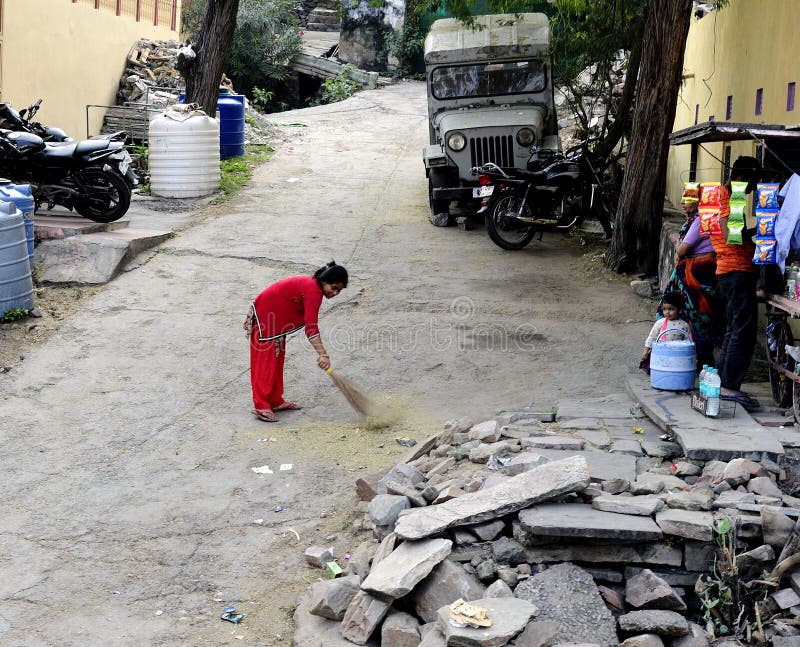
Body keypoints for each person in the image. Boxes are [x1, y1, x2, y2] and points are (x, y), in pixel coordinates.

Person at [244, 261, 348, 422]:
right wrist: (323, 354)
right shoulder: (313, 291)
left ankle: (274, 401)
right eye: (333, 288)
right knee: (265, 364)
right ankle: (261, 405)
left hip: (276, 320)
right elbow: (311, 328)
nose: (335, 293)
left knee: (276, 361)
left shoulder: (314, 288)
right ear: (324, 281)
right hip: (266, 319)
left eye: (339, 291)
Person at [710, 156, 762, 411]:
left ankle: (723, 382)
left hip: (730, 269)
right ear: (742, 178)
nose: (753, 188)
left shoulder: (722, 194)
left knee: (734, 328)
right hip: (736, 269)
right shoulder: (733, 194)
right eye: (752, 182)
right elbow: (732, 232)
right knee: (743, 330)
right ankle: (729, 386)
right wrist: (760, 232)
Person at [660, 189, 725, 368]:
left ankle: (691, 357)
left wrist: (677, 244)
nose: (682, 202)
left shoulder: (700, 220)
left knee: (693, 316)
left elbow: (682, 251)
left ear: (699, 203)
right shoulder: (719, 219)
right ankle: (706, 359)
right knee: (707, 318)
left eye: (688, 199)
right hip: (711, 272)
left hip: (696, 273)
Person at [641, 292, 693, 368]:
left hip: (677, 357)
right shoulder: (660, 323)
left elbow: (689, 342)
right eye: (664, 309)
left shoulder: (684, 325)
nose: (667, 312)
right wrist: (646, 350)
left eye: (671, 309)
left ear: (680, 310)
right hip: (661, 355)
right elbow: (652, 337)